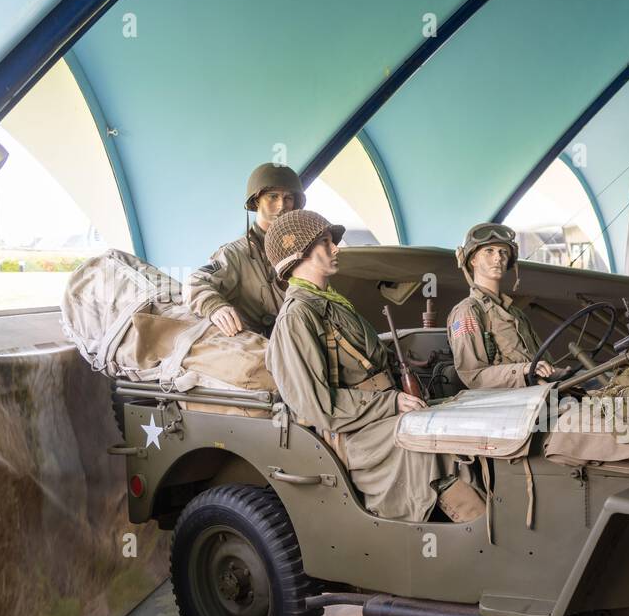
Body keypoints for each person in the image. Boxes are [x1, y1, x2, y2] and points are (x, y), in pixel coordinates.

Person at [264, 210, 481, 523]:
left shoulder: (332, 304)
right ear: (299, 253)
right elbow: (317, 405)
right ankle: (474, 530)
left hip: (376, 416)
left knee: (457, 424)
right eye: (325, 242)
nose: (335, 248)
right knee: (433, 444)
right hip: (354, 433)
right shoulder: (298, 316)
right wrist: (391, 403)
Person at [185, 163, 303, 337]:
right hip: (264, 344)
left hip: (301, 336)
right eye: (273, 197)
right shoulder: (235, 253)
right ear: (256, 201)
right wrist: (215, 307)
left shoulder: (301, 248)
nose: (281, 205)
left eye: (288, 198)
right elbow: (195, 282)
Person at [446, 222, 554, 388]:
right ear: (473, 260)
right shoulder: (467, 311)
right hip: (510, 399)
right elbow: (473, 376)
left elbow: (545, 365)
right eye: (489, 251)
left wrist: (564, 373)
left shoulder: (517, 314)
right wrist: (523, 370)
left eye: (503, 252)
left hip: (539, 390)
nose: (498, 258)